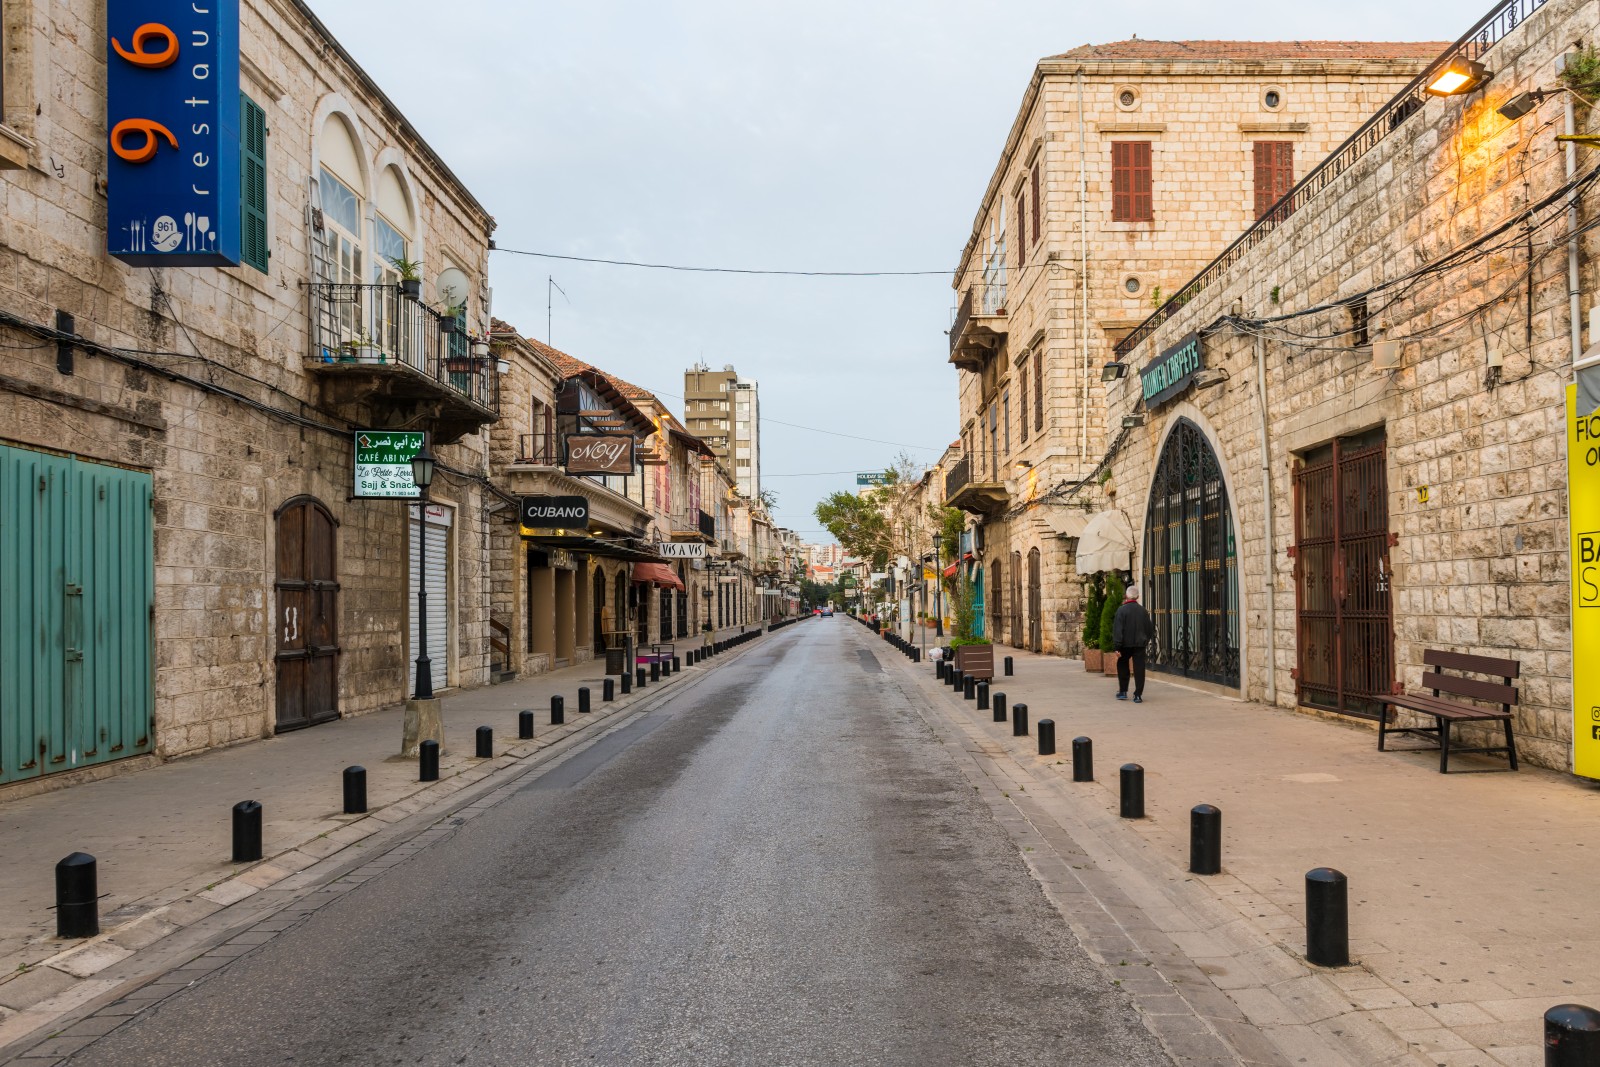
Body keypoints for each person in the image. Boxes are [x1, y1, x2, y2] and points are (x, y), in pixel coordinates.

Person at [1111, 585, 1153, 703]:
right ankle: (1138, 695)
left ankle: (1123, 691)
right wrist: (1145, 640)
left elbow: (1118, 629)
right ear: (1138, 597)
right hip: (1140, 644)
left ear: (1126, 596)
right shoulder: (1143, 610)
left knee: (1122, 664)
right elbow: (1149, 629)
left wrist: (1117, 646)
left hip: (1125, 644)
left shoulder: (1121, 610)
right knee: (1139, 668)